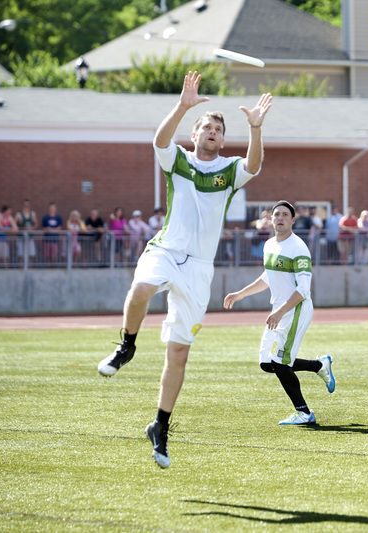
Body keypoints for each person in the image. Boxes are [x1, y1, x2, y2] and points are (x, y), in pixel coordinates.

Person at [97, 71, 272, 469]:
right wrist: (182, 105)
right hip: (166, 250)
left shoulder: (229, 170)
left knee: (179, 355)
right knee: (142, 287)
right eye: (206, 126)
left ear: (223, 140)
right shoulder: (178, 159)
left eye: (218, 128)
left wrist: (256, 129)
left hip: (199, 269)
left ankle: (160, 426)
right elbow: (159, 140)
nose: (212, 131)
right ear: (194, 135)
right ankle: (127, 345)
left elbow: (255, 166)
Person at [223, 200, 335, 425]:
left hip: (296, 309)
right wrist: (241, 294)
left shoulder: (298, 248)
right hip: (280, 309)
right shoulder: (269, 245)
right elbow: (268, 277)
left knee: (280, 362)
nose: (280, 218)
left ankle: (304, 412)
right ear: (271, 219)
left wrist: (280, 312)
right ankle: (318, 366)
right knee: (267, 363)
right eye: (277, 215)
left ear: (293, 220)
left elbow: (303, 290)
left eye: (285, 215)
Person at [15, 199, 38, 266]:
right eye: (25, 205)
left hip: (30, 237)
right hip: (21, 237)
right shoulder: (18, 214)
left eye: (28, 205)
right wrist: (22, 228)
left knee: (30, 255)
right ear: (22, 206)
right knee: (21, 255)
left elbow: (36, 224)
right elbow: (14, 225)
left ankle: (30, 269)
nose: (26, 206)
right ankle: (21, 270)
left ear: (30, 206)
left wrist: (32, 228)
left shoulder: (32, 214)